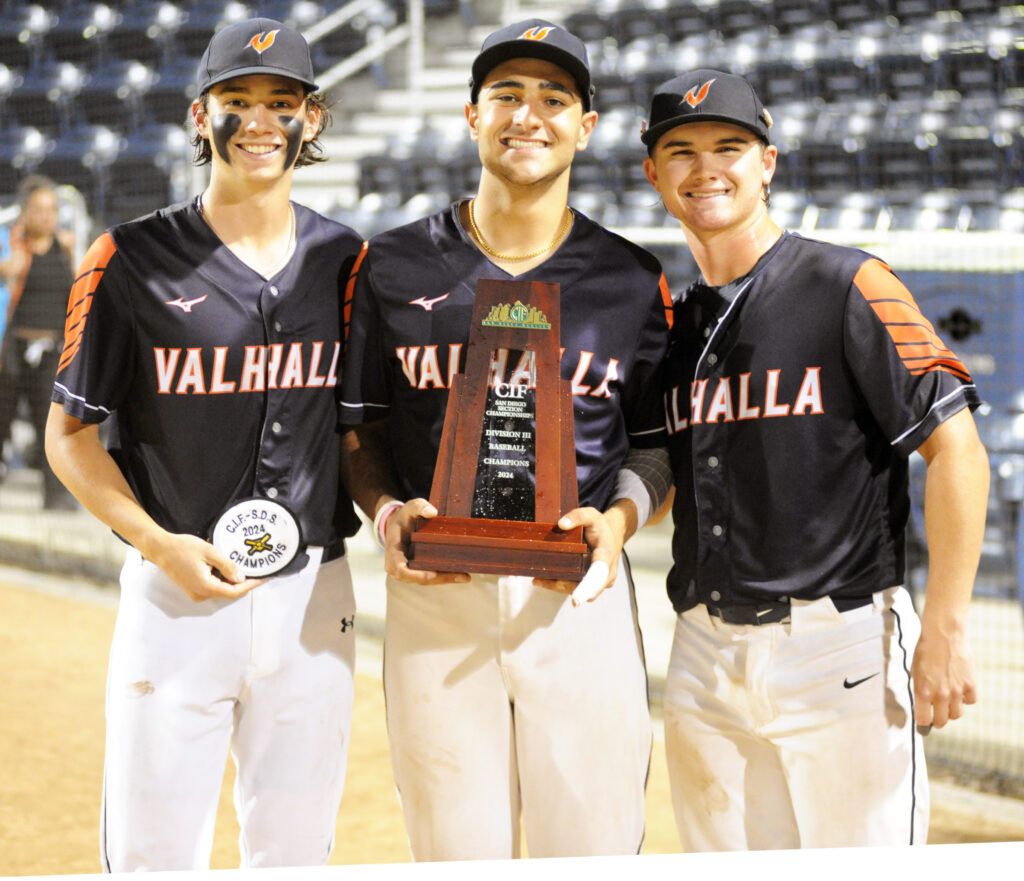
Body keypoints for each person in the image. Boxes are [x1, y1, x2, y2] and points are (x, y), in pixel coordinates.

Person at [340, 19, 673, 861]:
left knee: (592, 853)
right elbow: (359, 427)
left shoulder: (631, 278)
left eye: (554, 98)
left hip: (576, 596)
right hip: (436, 590)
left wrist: (621, 523)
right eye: (507, 96)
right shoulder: (391, 263)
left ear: (586, 126)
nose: (529, 115)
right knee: (452, 854)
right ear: (471, 113)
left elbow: (656, 444)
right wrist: (386, 514)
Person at [640, 69, 990, 849]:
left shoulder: (849, 282)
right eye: (681, 151)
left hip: (838, 648)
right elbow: (662, 475)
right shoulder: (667, 324)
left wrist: (945, 627)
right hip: (700, 651)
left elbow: (957, 450)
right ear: (652, 172)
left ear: (767, 162)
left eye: (730, 147)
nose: (706, 170)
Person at [44, 19, 363, 871]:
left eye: (282, 102)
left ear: (314, 119)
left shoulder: (348, 262)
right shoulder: (129, 259)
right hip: (175, 590)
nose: (260, 121)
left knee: (294, 854)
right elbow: (68, 437)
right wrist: (154, 542)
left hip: (311, 596)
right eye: (238, 101)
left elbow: (367, 430)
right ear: (199, 115)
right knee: (153, 856)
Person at [0, 176, 76, 506]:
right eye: (38, 209)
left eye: (51, 209)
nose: (46, 216)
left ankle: (56, 500)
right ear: (25, 212)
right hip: (12, 350)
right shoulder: (8, 245)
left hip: (51, 351)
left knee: (50, 425)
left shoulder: (67, 248)